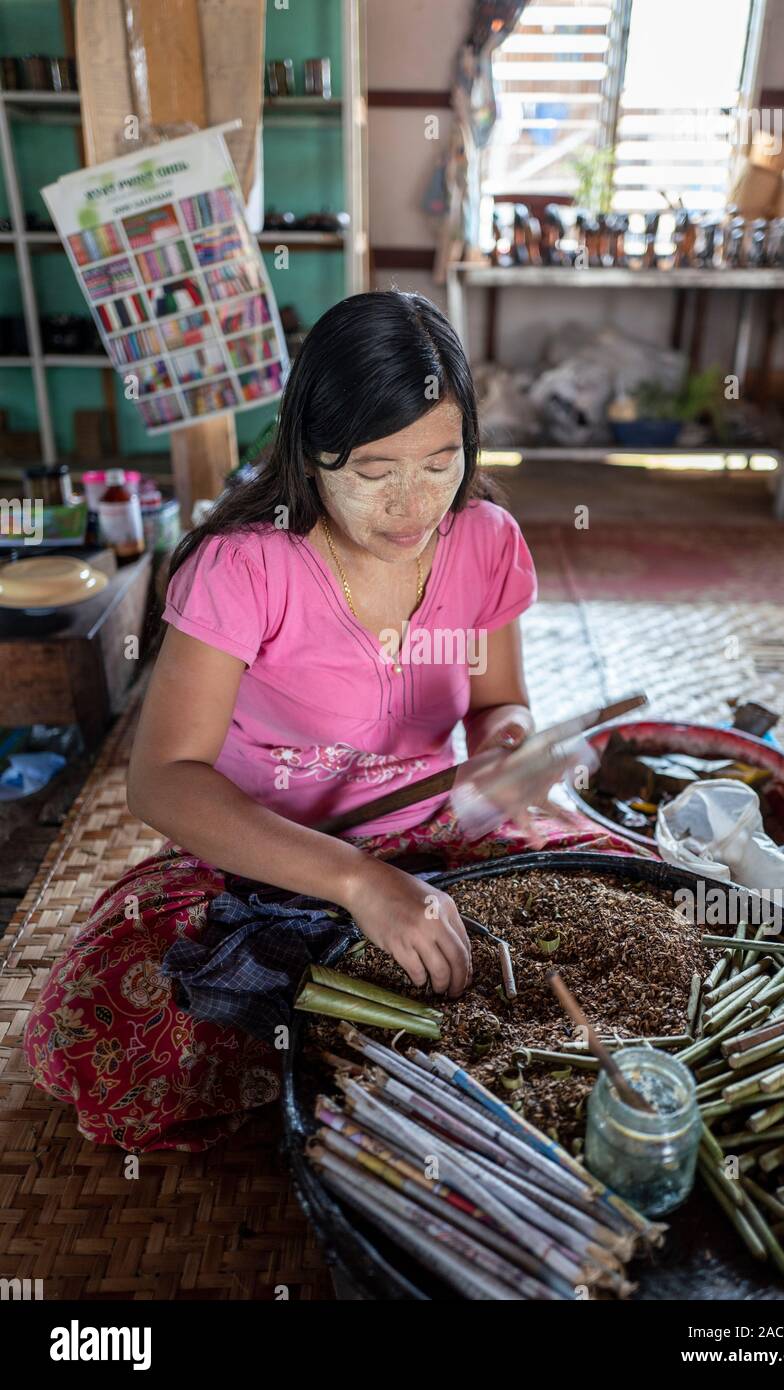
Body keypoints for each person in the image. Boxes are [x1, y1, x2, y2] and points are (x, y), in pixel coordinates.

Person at [24, 291, 631, 1152]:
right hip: (266, 856)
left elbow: (499, 702)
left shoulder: (486, 538)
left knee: (616, 914)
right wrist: (355, 881)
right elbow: (162, 780)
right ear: (311, 456)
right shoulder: (245, 565)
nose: (413, 507)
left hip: (434, 835)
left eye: (439, 463)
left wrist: (506, 748)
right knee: (128, 1025)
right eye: (375, 473)